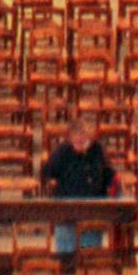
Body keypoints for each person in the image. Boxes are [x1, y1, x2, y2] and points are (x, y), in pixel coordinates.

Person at [41, 106, 119, 260]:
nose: (80, 145)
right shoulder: (63, 151)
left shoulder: (97, 150)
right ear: (70, 138)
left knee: (90, 256)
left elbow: (109, 174)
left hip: (93, 209)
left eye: (83, 141)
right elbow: (47, 172)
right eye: (76, 141)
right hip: (66, 209)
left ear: (90, 137)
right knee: (66, 256)